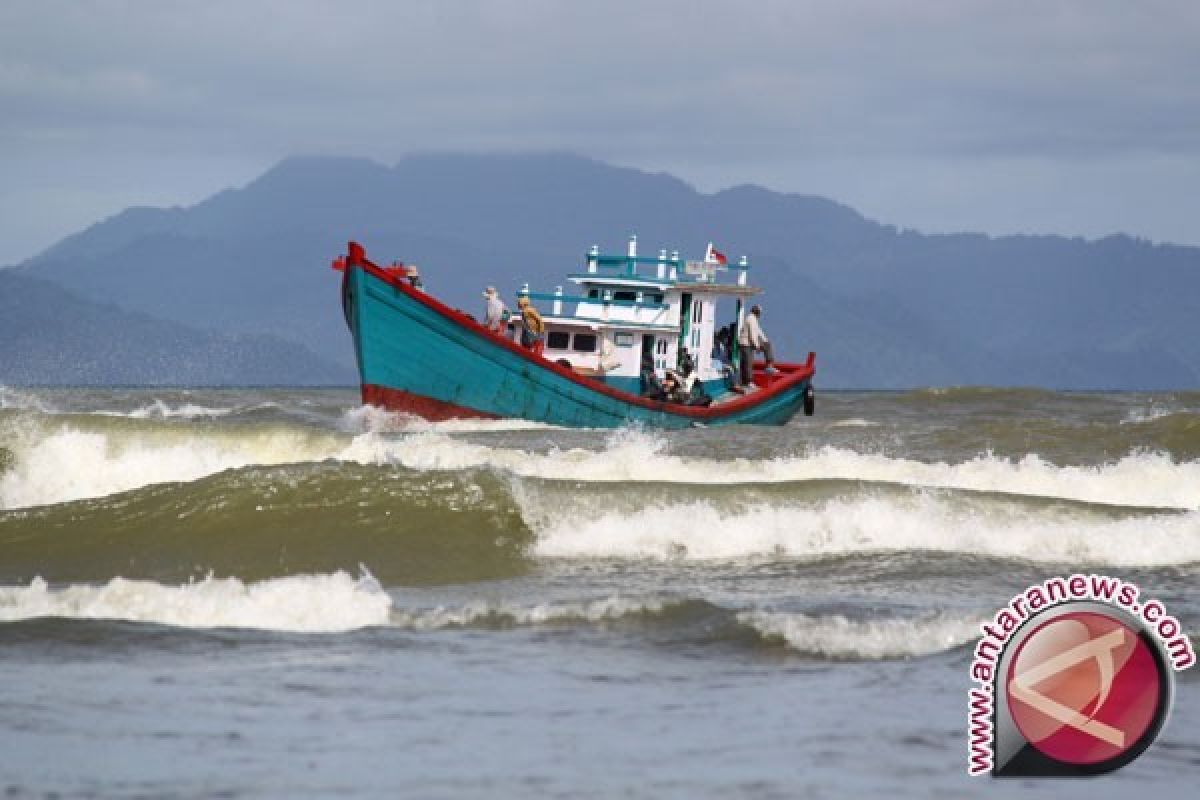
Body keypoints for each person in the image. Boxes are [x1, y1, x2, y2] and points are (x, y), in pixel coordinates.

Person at [738, 304, 777, 387]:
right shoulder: (750, 319)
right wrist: (757, 346)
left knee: (767, 345)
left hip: (750, 343)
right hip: (745, 344)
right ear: (757, 312)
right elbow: (752, 334)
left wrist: (765, 340)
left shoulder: (754, 319)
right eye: (759, 312)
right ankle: (748, 381)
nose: (760, 314)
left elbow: (759, 331)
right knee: (748, 362)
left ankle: (769, 365)